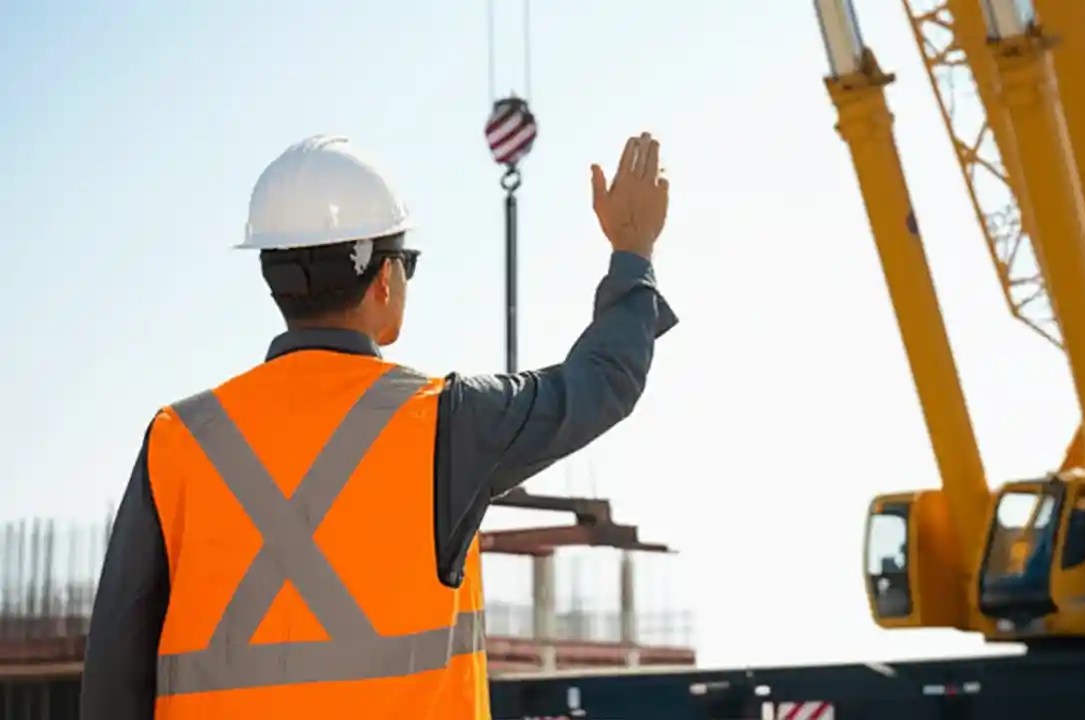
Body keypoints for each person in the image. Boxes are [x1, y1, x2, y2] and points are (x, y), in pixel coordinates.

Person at [79, 132, 677, 719]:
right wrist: (633, 253)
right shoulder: (450, 419)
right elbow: (601, 382)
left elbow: (114, 674)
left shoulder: (178, 439)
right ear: (384, 277)